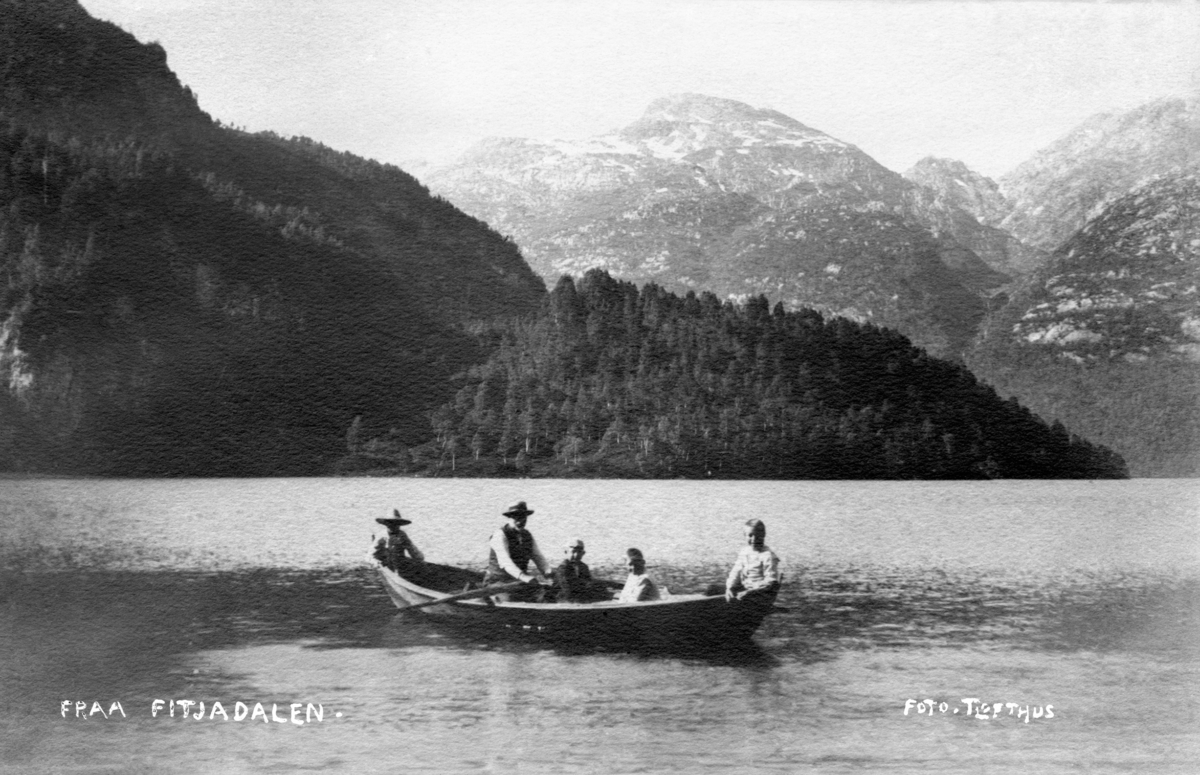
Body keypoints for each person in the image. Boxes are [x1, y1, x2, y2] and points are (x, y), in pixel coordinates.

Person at [482, 501, 551, 602]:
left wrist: (548, 572)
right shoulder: (500, 535)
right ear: (509, 518)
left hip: (519, 582)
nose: (520, 521)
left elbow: (538, 557)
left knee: (547, 595)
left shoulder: (527, 536)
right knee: (509, 599)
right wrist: (524, 577)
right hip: (497, 582)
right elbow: (505, 562)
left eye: (523, 517)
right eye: (516, 517)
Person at [725, 519, 781, 603]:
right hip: (745, 588)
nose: (754, 539)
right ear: (745, 536)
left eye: (758, 535)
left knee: (736, 598)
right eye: (750, 535)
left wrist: (750, 592)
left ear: (764, 535)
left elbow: (771, 583)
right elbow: (735, 572)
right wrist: (729, 588)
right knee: (712, 589)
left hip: (759, 594)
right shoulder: (745, 552)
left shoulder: (767, 555)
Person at [551, 539, 620, 603]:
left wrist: (610, 586)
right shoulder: (563, 568)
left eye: (579, 552)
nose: (576, 555)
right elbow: (570, 589)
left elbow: (588, 582)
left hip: (580, 598)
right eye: (574, 552)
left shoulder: (583, 567)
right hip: (564, 601)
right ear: (566, 552)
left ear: (583, 553)